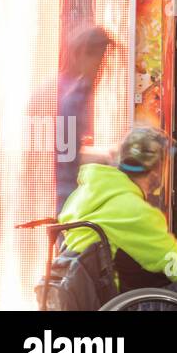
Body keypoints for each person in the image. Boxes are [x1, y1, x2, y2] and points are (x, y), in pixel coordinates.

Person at [58, 126, 177, 310]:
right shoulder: (136, 211)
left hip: (93, 298)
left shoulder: (82, 196)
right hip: (127, 305)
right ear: (156, 169)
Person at [55, 26, 115, 215]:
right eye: (98, 60)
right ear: (80, 55)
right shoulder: (72, 96)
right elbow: (67, 155)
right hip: (71, 196)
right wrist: (109, 157)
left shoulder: (77, 91)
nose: (101, 67)